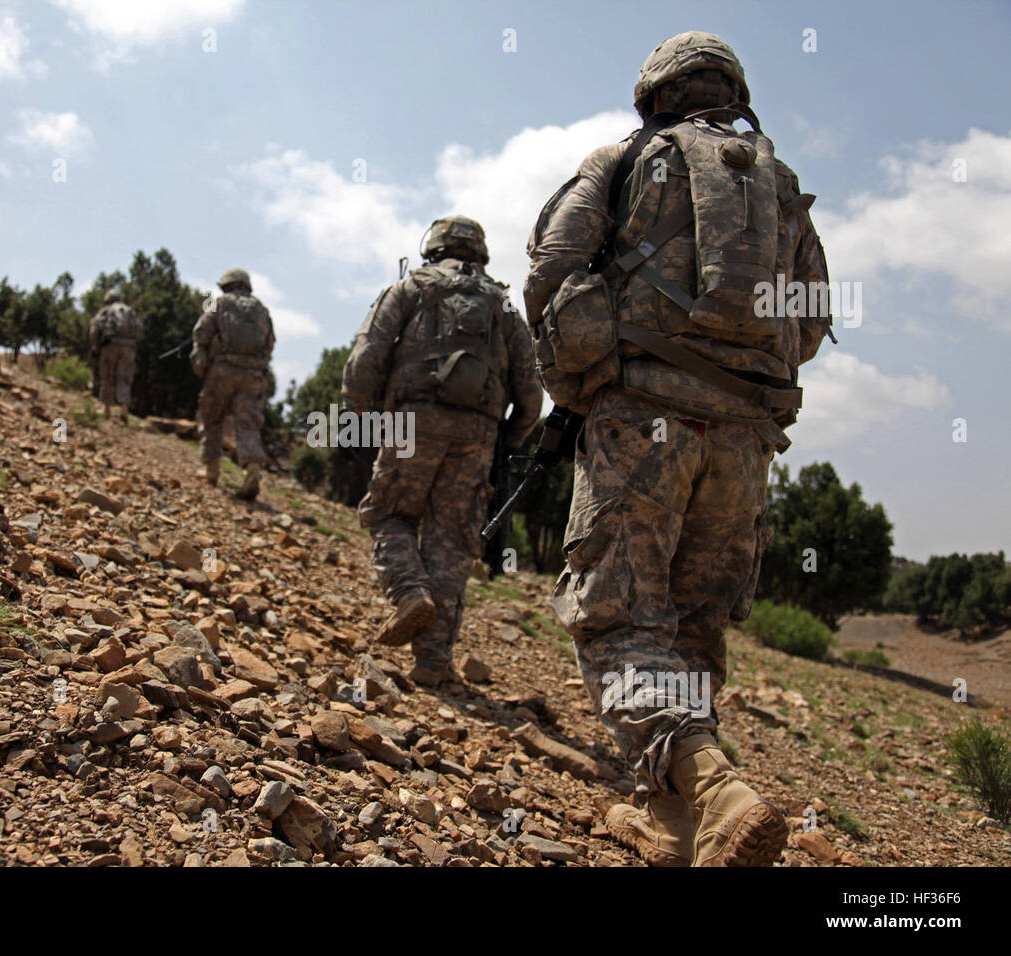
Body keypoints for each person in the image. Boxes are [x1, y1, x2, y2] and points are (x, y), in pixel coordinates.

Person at [523, 31, 833, 866]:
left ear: (655, 97)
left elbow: (554, 268)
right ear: (731, 92)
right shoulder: (781, 184)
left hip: (643, 417)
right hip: (746, 438)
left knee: (617, 617)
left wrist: (581, 381)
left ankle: (715, 787)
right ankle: (677, 825)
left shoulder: (625, 159)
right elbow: (808, 325)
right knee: (693, 627)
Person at [343, 216, 542, 686]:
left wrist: (357, 412)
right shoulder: (502, 304)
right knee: (452, 543)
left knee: (388, 515)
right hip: (478, 432)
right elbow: (532, 393)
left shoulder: (411, 287)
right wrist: (505, 440)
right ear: (481, 253)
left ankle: (409, 591)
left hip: (412, 420)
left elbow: (366, 356)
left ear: (432, 247)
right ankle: (433, 662)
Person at [191, 268, 275, 500]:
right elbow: (270, 343)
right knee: (248, 423)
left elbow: (201, 332)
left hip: (223, 370)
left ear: (227, 286)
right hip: (252, 375)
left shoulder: (219, 303)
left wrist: (202, 359)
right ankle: (253, 469)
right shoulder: (261, 309)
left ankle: (211, 470)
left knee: (212, 417)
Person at [88, 288, 142, 422]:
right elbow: (140, 330)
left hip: (110, 344)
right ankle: (124, 408)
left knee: (107, 376)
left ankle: (107, 409)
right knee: (124, 377)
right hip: (129, 346)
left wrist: (95, 347)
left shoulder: (106, 310)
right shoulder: (129, 311)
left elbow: (95, 328)